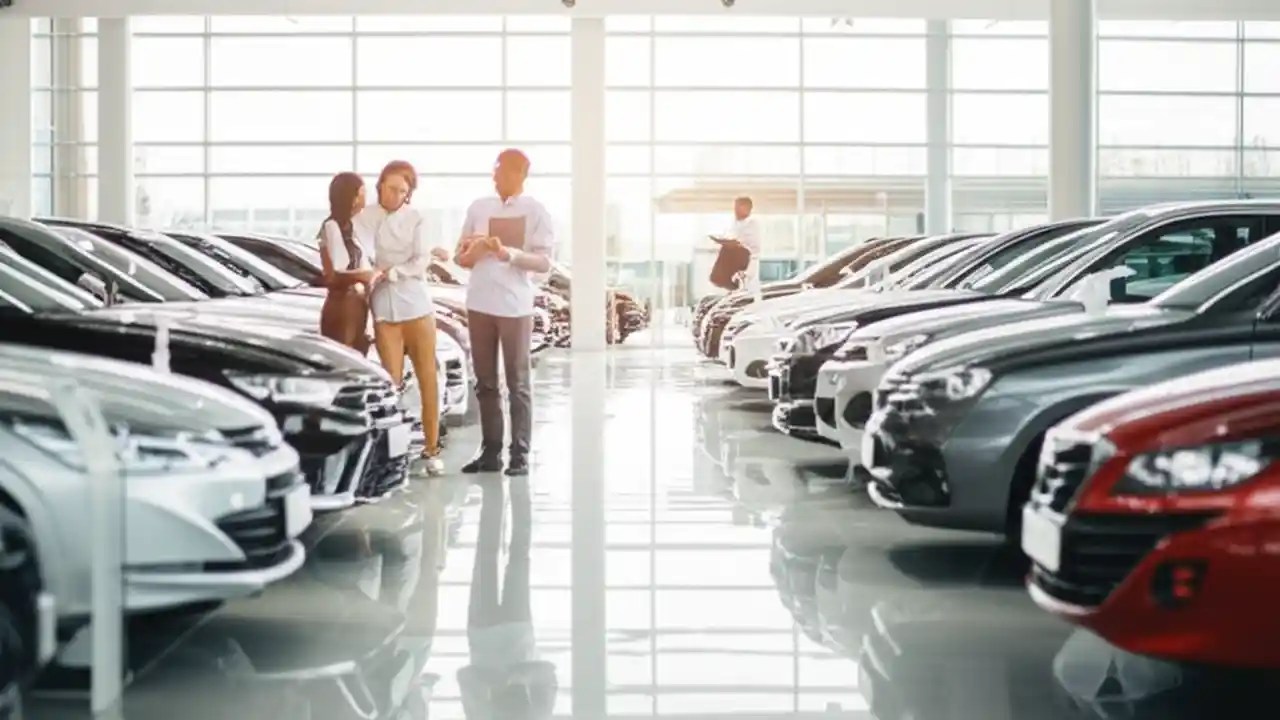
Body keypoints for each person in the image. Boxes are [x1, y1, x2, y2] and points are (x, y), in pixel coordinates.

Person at [454, 149, 555, 477]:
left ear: (520, 175)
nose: (495, 177)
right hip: (479, 302)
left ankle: (520, 454)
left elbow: (543, 262)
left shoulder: (535, 211)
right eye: (495, 171)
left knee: (518, 382)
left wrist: (505, 252)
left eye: (502, 172)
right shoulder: (478, 208)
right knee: (484, 382)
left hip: (515, 306)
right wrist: (476, 249)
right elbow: (459, 257)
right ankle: (490, 452)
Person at [356, 160, 450, 476]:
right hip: (383, 309)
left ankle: (432, 448)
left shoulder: (416, 218)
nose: (396, 195)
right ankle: (389, 452)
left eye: (403, 191)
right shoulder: (364, 218)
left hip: (417, 306)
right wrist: (376, 270)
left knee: (427, 379)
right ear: (380, 184)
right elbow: (365, 254)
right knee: (390, 382)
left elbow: (421, 258)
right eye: (392, 188)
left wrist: (392, 270)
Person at [317, 172, 375, 353]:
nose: (366, 197)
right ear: (352, 197)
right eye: (362, 192)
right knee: (345, 355)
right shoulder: (331, 226)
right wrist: (365, 275)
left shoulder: (354, 227)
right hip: (343, 304)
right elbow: (334, 273)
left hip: (358, 301)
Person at [712, 195, 763, 299]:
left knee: (729, 250)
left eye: (738, 207)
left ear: (747, 208)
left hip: (745, 257)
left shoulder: (752, 223)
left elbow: (744, 243)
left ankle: (732, 284)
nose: (735, 210)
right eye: (735, 207)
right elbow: (731, 236)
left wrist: (730, 243)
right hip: (736, 257)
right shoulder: (734, 223)